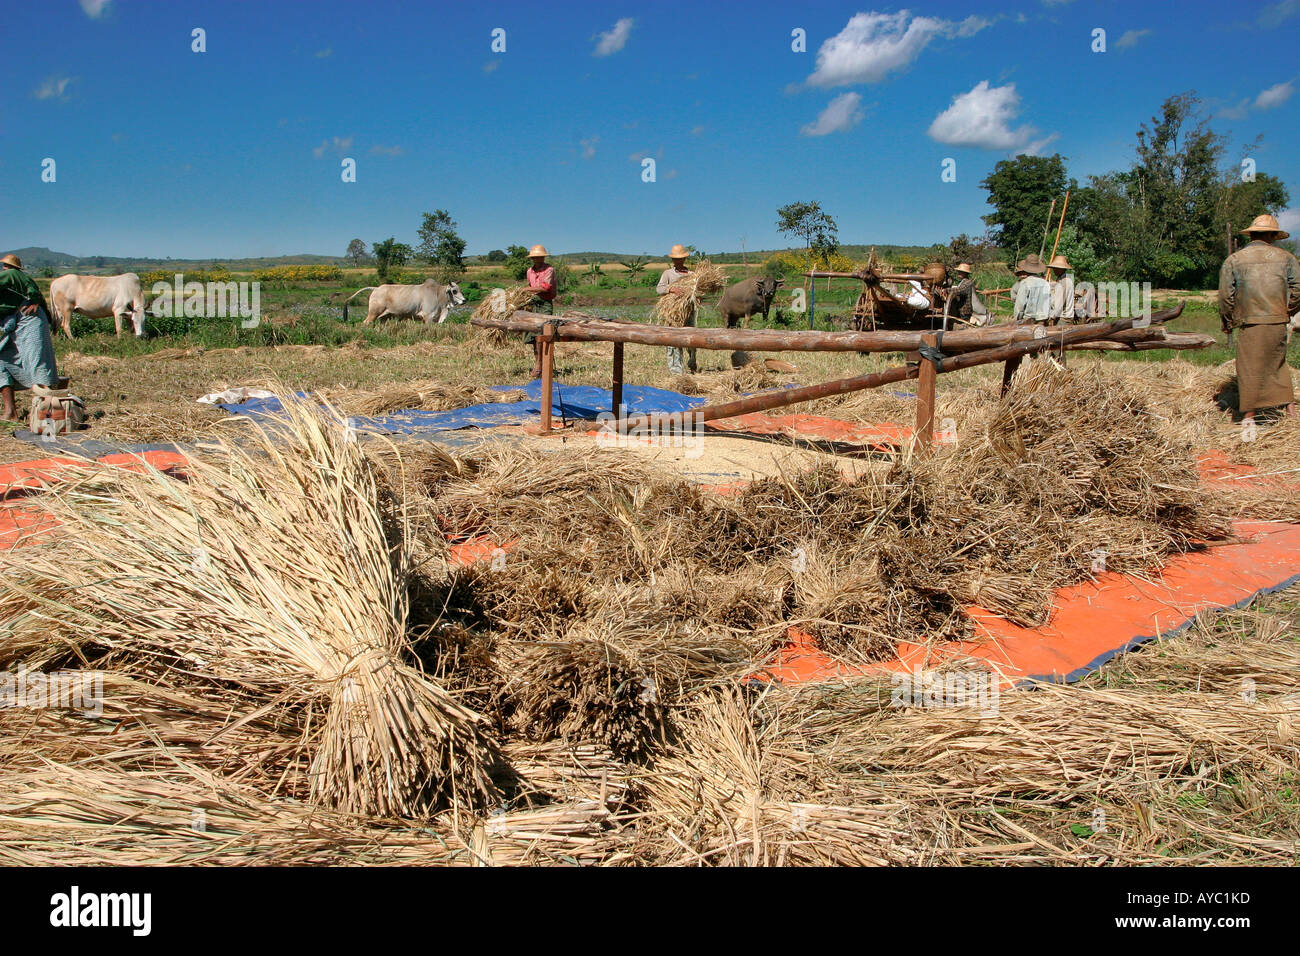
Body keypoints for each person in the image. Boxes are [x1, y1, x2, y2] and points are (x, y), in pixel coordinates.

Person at [1218, 214, 1300, 424]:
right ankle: (1290, 412)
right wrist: (1288, 310)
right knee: (1278, 364)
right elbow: (1298, 289)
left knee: (1249, 367)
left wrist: (1227, 320)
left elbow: (1226, 296)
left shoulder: (1234, 260)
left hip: (1249, 322)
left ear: (1252, 235)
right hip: (1277, 320)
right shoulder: (1287, 258)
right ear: (1272, 235)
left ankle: (1249, 416)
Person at [0, 254, 60, 422]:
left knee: (36, 360)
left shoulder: (11, 274)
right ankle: (10, 412)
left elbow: (31, 288)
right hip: (14, 322)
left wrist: (34, 299)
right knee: (2, 360)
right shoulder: (11, 277)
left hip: (29, 319)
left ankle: (48, 412)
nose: (3, 268)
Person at [656, 244, 697, 374]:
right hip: (673, 314)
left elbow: (698, 291)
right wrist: (671, 289)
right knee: (673, 340)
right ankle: (676, 371)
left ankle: (692, 362)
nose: (678, 261)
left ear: (684, 259)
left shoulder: (692, 275)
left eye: (680, 259)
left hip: (688, 312)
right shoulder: (668, 274)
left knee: (691, 338)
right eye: (675, 259)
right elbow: (659, 289)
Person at [525, 244, 558, 378]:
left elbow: (545, 288)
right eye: (535, 257)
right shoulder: (529, 272)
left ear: (543, 257)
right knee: (533, 336)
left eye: (540, 257)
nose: (537, 259)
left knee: (542, 333)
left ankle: (541, 365)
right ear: (532, 259)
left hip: (544, 303)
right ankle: (538, 363)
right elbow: (531, 287)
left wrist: (525, 290)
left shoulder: (549, 270)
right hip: (533, 303)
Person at [1011, 254, 1051, 324]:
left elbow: (1020, 305)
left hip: (1028, 321)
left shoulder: (1025, 283)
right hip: (1042, 320)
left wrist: (1016, 318)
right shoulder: (1045, 283)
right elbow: (1048, 302)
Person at [1047, 254, 1075, 324]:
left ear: (1062, 269)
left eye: (1056, 268)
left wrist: (1052, 316)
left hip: (1063, 319)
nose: (1054, 270)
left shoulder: (1064, 282)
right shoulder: (1061, 280)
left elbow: (1059, 304)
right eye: (1054, 268)